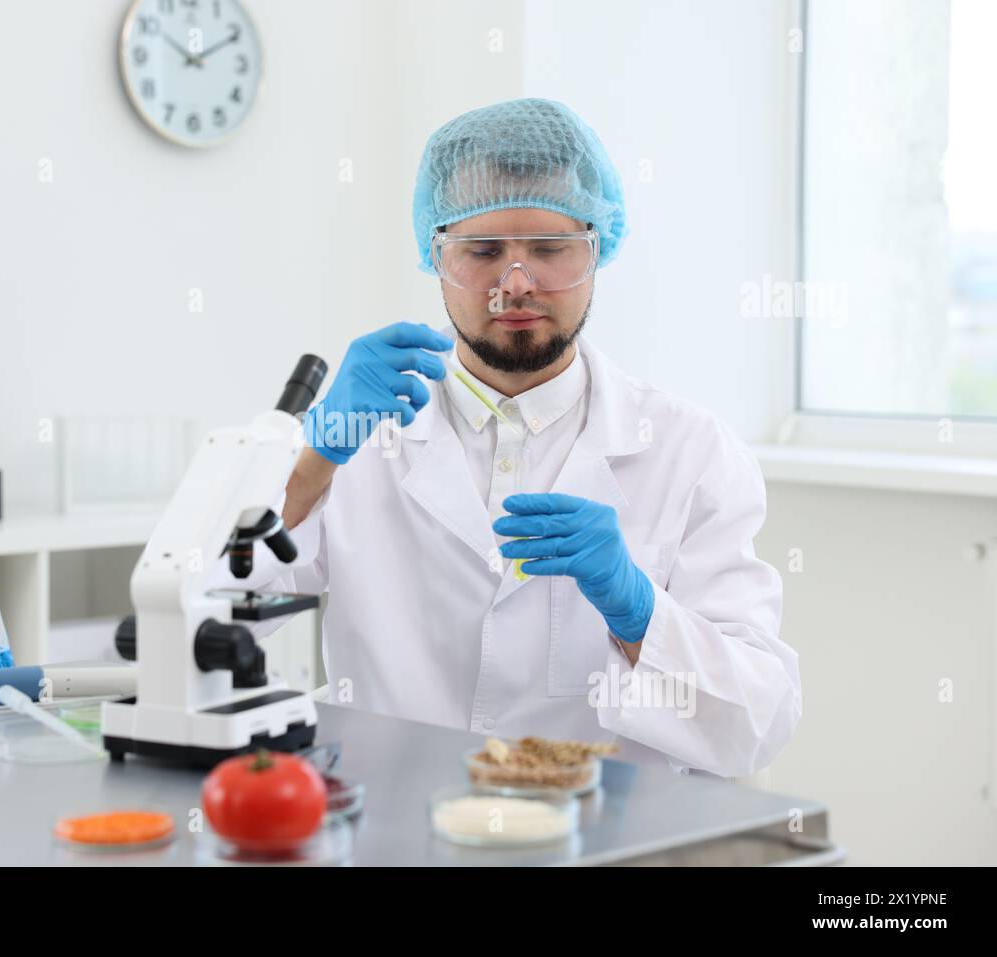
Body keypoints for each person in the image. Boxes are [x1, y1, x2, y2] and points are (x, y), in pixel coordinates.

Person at [255, 98, 799, 778]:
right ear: (436, 255)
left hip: (605, 845)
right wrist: (311, 463)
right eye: (482, 252)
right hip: (393, 831)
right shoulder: (356, 440)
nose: (515, 283)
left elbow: (758, 723)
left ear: (598, 250)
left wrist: (638, 611)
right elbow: (193, 622)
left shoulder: (689, 452)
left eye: (550, 250)